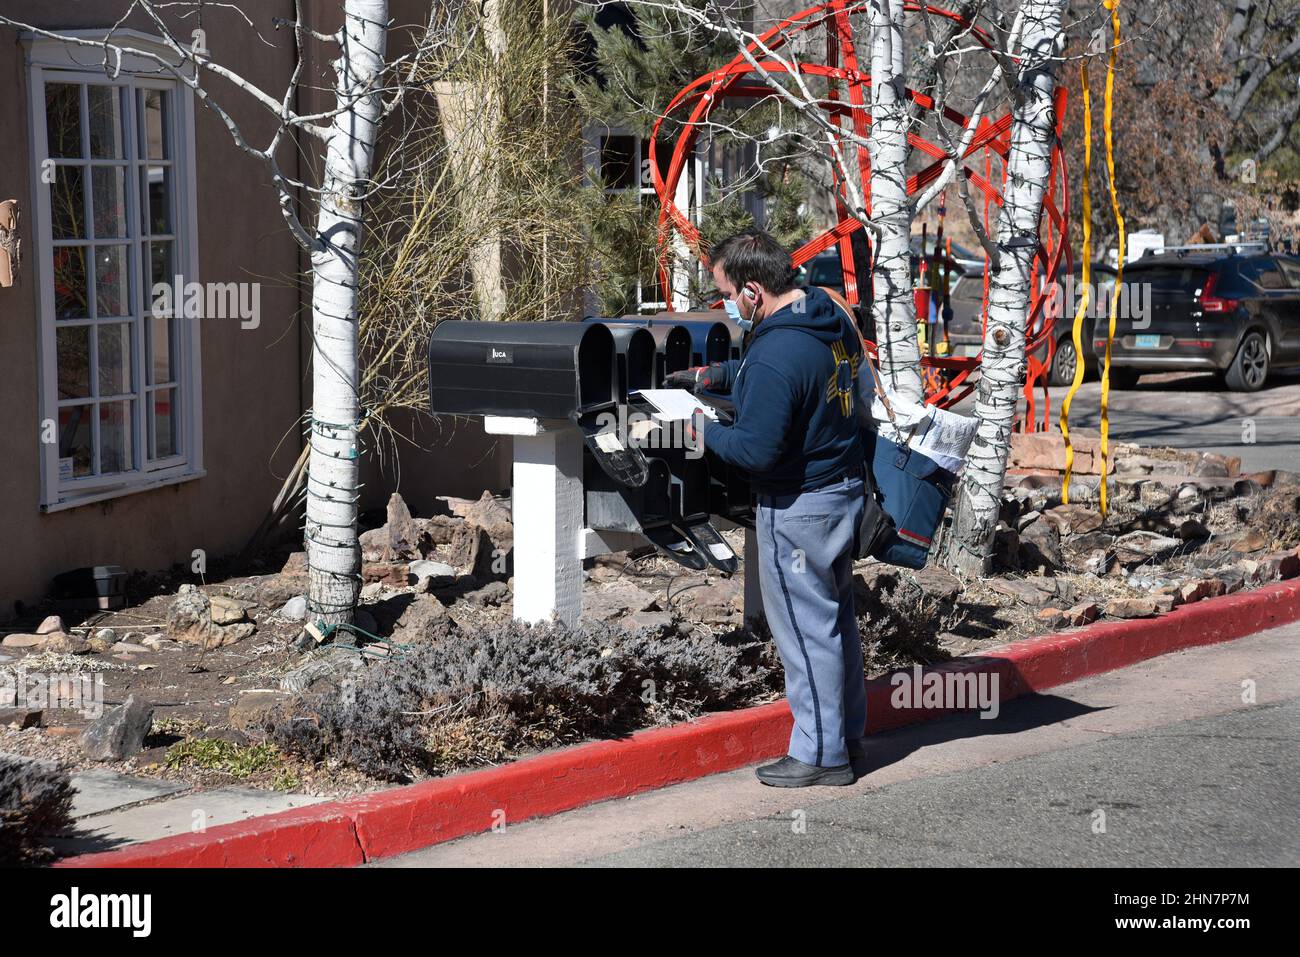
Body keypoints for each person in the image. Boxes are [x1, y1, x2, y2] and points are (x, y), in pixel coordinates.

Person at [666, 228, 869, 787]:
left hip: (797, 508)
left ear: (753, 291)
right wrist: (716, 377)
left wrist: (697, 428)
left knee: (805, 632)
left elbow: (755, 449)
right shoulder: (821, 319)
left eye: (727, 294)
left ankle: (821, 756)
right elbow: (787, 381)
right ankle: (847, 735)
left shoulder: (778, 349)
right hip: (841, 494)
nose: (725, 306)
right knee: (834, 621)